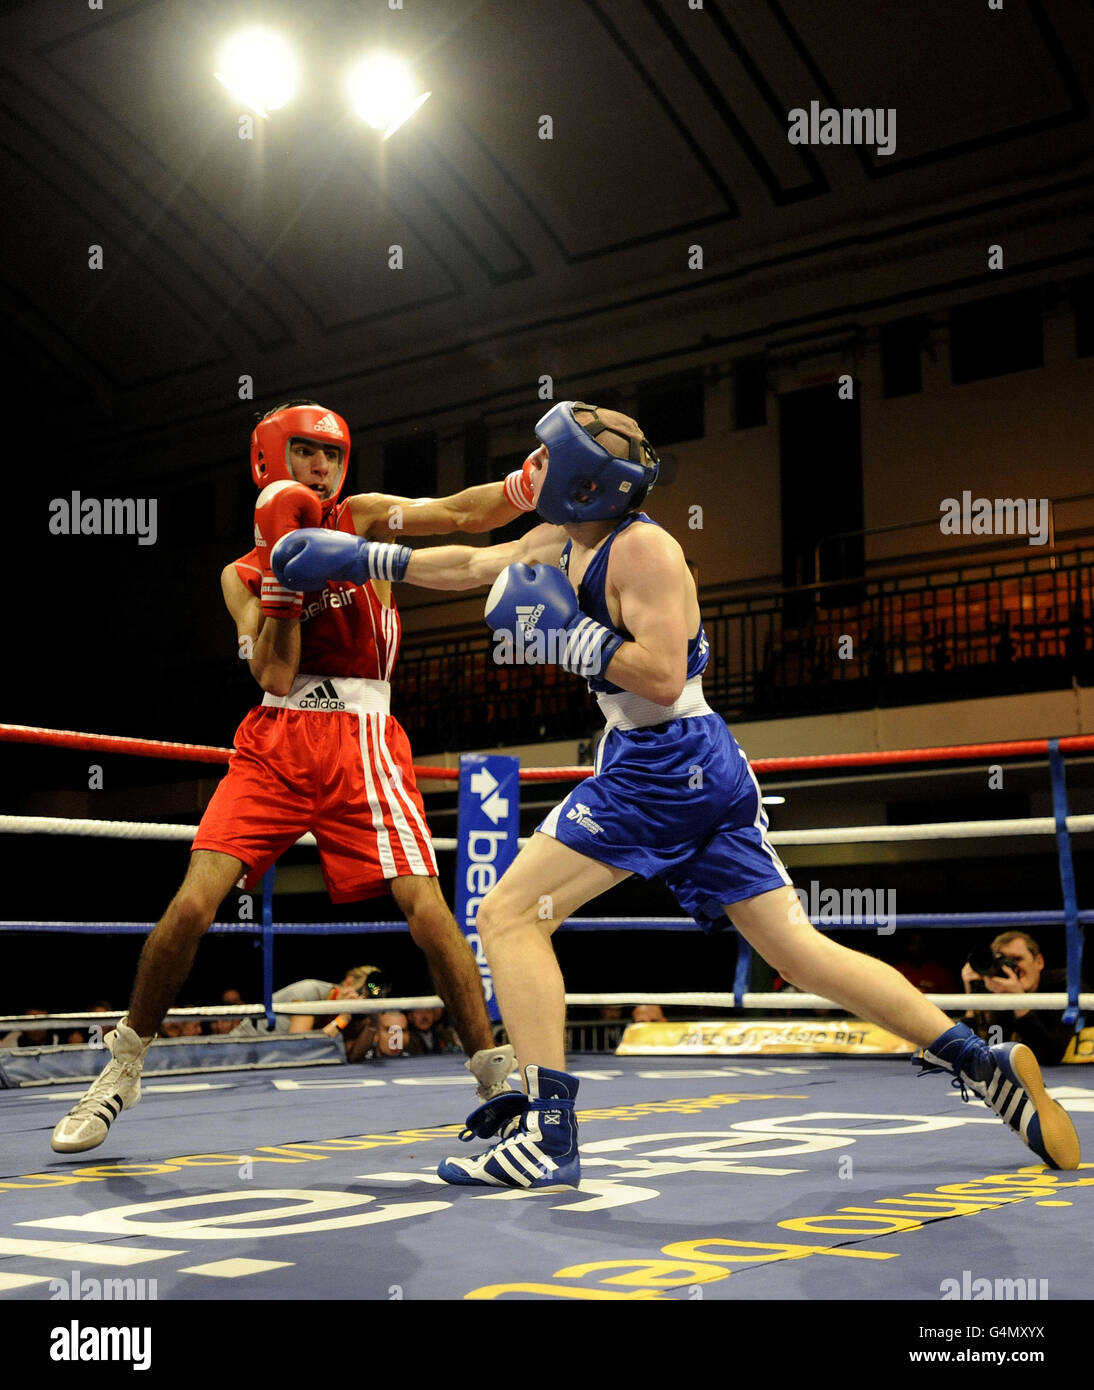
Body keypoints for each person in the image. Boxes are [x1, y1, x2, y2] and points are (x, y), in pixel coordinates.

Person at [273, 398, 1083, 1188]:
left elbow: (662, 676)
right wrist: (363, 558)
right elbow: (481, 563)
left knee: (509, 913)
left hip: (665, 757)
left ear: (588, 483)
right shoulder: (567, 531)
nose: (534, 466)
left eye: (550, 457)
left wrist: (570, 632)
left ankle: (548, 1137)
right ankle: (980, 1063)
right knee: (797, 952)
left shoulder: (646, 553)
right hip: (687, 760)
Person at [51, 400, 535, 1153]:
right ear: (269, 461)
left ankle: (494, 1072)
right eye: (308, 453)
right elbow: (273, 671)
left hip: (363, 735)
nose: (323, 468)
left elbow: (458, 517)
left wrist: (519, 491)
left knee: (425, 904)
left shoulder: (364, 518)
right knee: (191, 905)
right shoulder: (239, 574)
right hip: (277, 739)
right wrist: (286, 585)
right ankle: (120, 1068)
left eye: (333, 456)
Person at [962, 930, 1084, 1066]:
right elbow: (991, 1056)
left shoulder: (1066, 985)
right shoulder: (1002, 990)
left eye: (1017, 959)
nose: (1011, 967)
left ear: (1039, 962)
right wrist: (970, 1002)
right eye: (1002, 961)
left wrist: (1019, 1001)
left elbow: (1050, 1057)